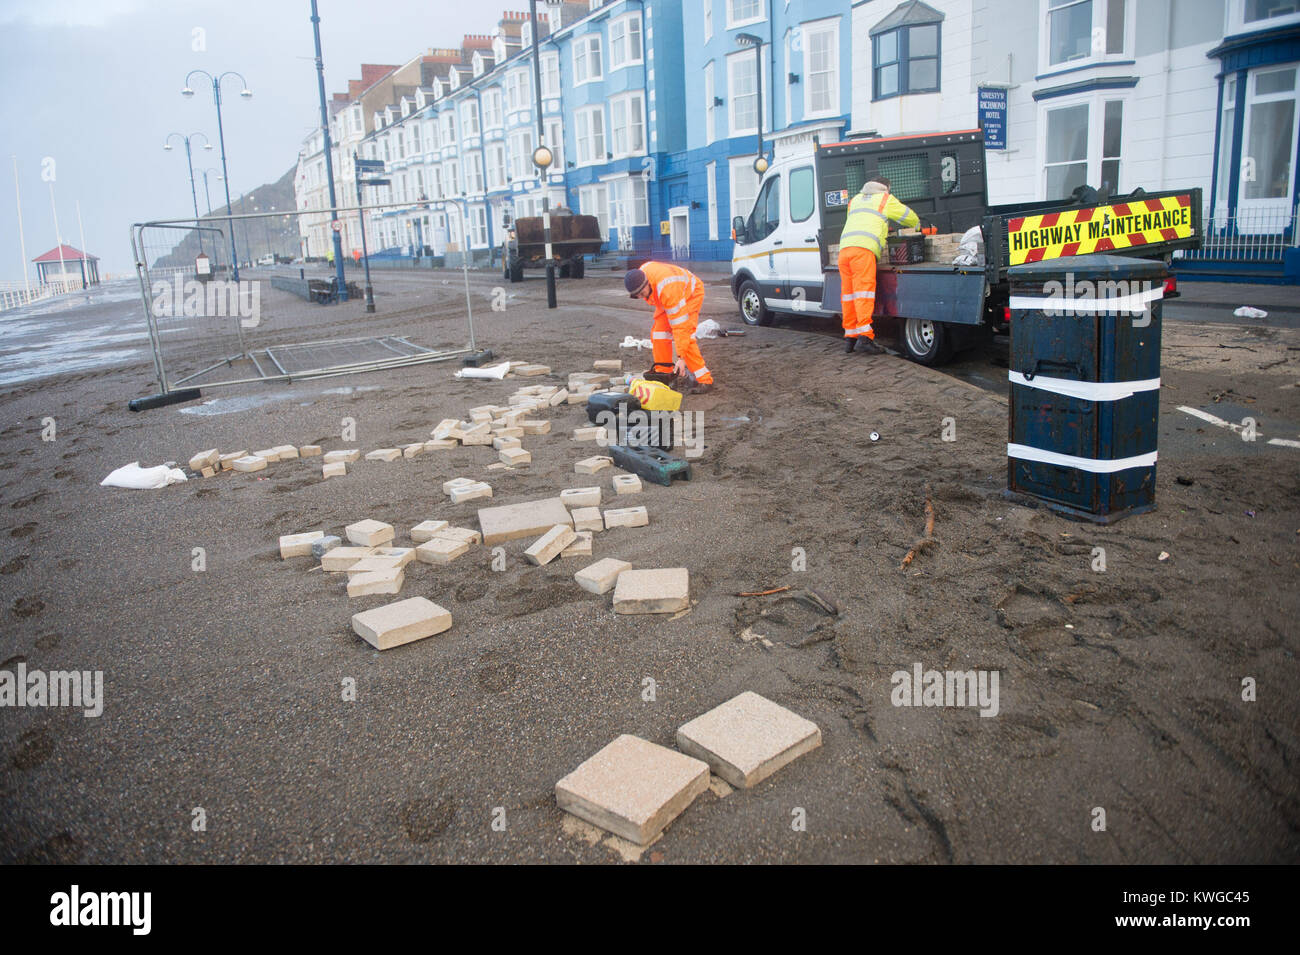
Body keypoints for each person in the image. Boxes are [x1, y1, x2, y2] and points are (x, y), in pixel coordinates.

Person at [838, 175, 919, 354]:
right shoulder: (885, 199)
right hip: (863, 250)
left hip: (844, 251)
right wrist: (918, 225)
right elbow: (909, 218)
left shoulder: (855, 200)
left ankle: (850, 338)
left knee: (849, 294)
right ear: (885, 188)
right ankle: (865, 339)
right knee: (863, 293)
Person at [625, 262, 714, 394]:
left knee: (686, 337)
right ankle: (664, 376)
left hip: (690, 295)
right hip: (665, 297)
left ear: (647, 283)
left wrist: (681, 358)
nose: (641, 297)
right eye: (636, 296)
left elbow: (681, 328)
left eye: (642, 293)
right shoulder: (641, 275)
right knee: (659, 334)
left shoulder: (668, 289)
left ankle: (705, 380)